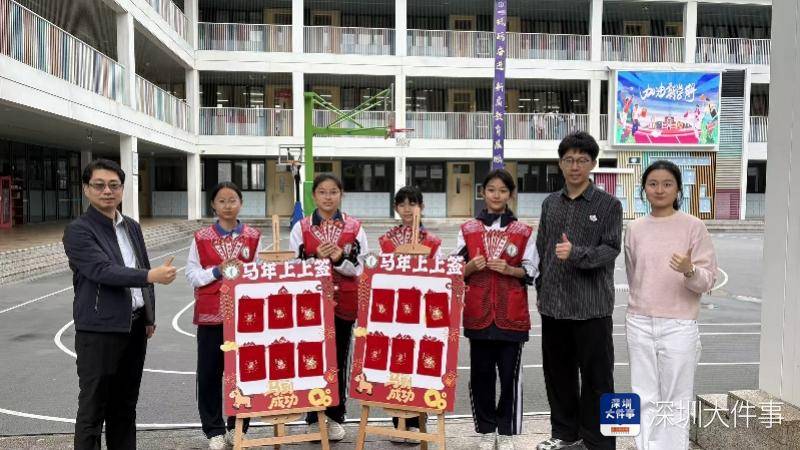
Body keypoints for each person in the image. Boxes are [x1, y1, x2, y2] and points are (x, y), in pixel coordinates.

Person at [63, 158, 177, 450]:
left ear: (123, 189)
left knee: (125, 406)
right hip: (99, 330)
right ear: (86, 189)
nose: (107, 191)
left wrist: (149, 316)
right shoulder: (79, 230)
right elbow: (102, 270)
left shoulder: (131, 227)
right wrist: (150, 276)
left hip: (135, 327)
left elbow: (141, 264)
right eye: (99, 185)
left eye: (114, 185)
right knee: (93, 409)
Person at [535, 132, 622, 450]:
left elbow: (610, 249)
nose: (575, 166)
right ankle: (564, 433)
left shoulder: (608, 205)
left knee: (599, 379)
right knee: (558, 375)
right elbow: (542, 249)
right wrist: (542, 290)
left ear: (593, 164)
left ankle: (601, 442)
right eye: (569, 160)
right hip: (554, 308)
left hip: (592, 308)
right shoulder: (550, 204)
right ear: (560, 163)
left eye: (582, 160)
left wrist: (576, 254)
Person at [625, 161, 717, 450]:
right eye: (652, 184)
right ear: (644, 189)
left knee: (676, 398)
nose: (659, 189)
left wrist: (690, 270)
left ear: (678, 189)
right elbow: (633, 275)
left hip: (679, 324)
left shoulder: (694, 227)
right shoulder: (634, 228)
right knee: (643, 395)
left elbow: (708, 280)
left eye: (667, 184)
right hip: (639, 321)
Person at [454, 169, 538, 450]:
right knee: (481, 376)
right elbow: (454, 271)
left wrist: (510, 269)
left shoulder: (523, 231)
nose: (497, 195)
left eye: (503, 190)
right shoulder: (468, 230)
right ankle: (486, 430)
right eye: (491, 190)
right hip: (478, 313)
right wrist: (469, 267)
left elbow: (532, 271)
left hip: (511, 314)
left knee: (510, 377)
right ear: (483, 193)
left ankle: (507, 431)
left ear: (510, 194)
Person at [289, 173, 369, 441]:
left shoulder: (354, 227)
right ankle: (314, 418)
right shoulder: (301, 228)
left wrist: (339, 258)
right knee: (311, 359)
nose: (328, 197)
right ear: (314, 195)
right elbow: (293, 267)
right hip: (310, 305)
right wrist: (315, 259)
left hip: (344, 302)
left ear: (341, 194)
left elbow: (361, 267)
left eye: (333, 191)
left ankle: (335, 416)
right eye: (322, 192)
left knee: (339, 359)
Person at [184, 182, 262, 450]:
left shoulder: (253, 236)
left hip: (244, 317)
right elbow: (191, 275)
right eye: (221, 201)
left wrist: (246, 274)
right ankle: (214, 430)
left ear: (241, 203)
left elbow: (259, 272)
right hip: (211, 316)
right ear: (213, 205)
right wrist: (217, 271)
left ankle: (238, 427)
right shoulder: (201, 238)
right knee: (209, 374)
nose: (227, 206)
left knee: (244, 374)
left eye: (232, 200)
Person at [379, 186, 443, 443]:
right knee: (397, 364)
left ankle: (417, 422)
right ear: (396, 208)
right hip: (395, 310)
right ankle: (398, 421)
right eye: (402, 204)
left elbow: (440, 275)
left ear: (421, 207)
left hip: (423, 311)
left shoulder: (432, 241)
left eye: (413, 203)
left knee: (420, 364)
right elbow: (380, 273)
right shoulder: (387, 240)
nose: (407, 209)